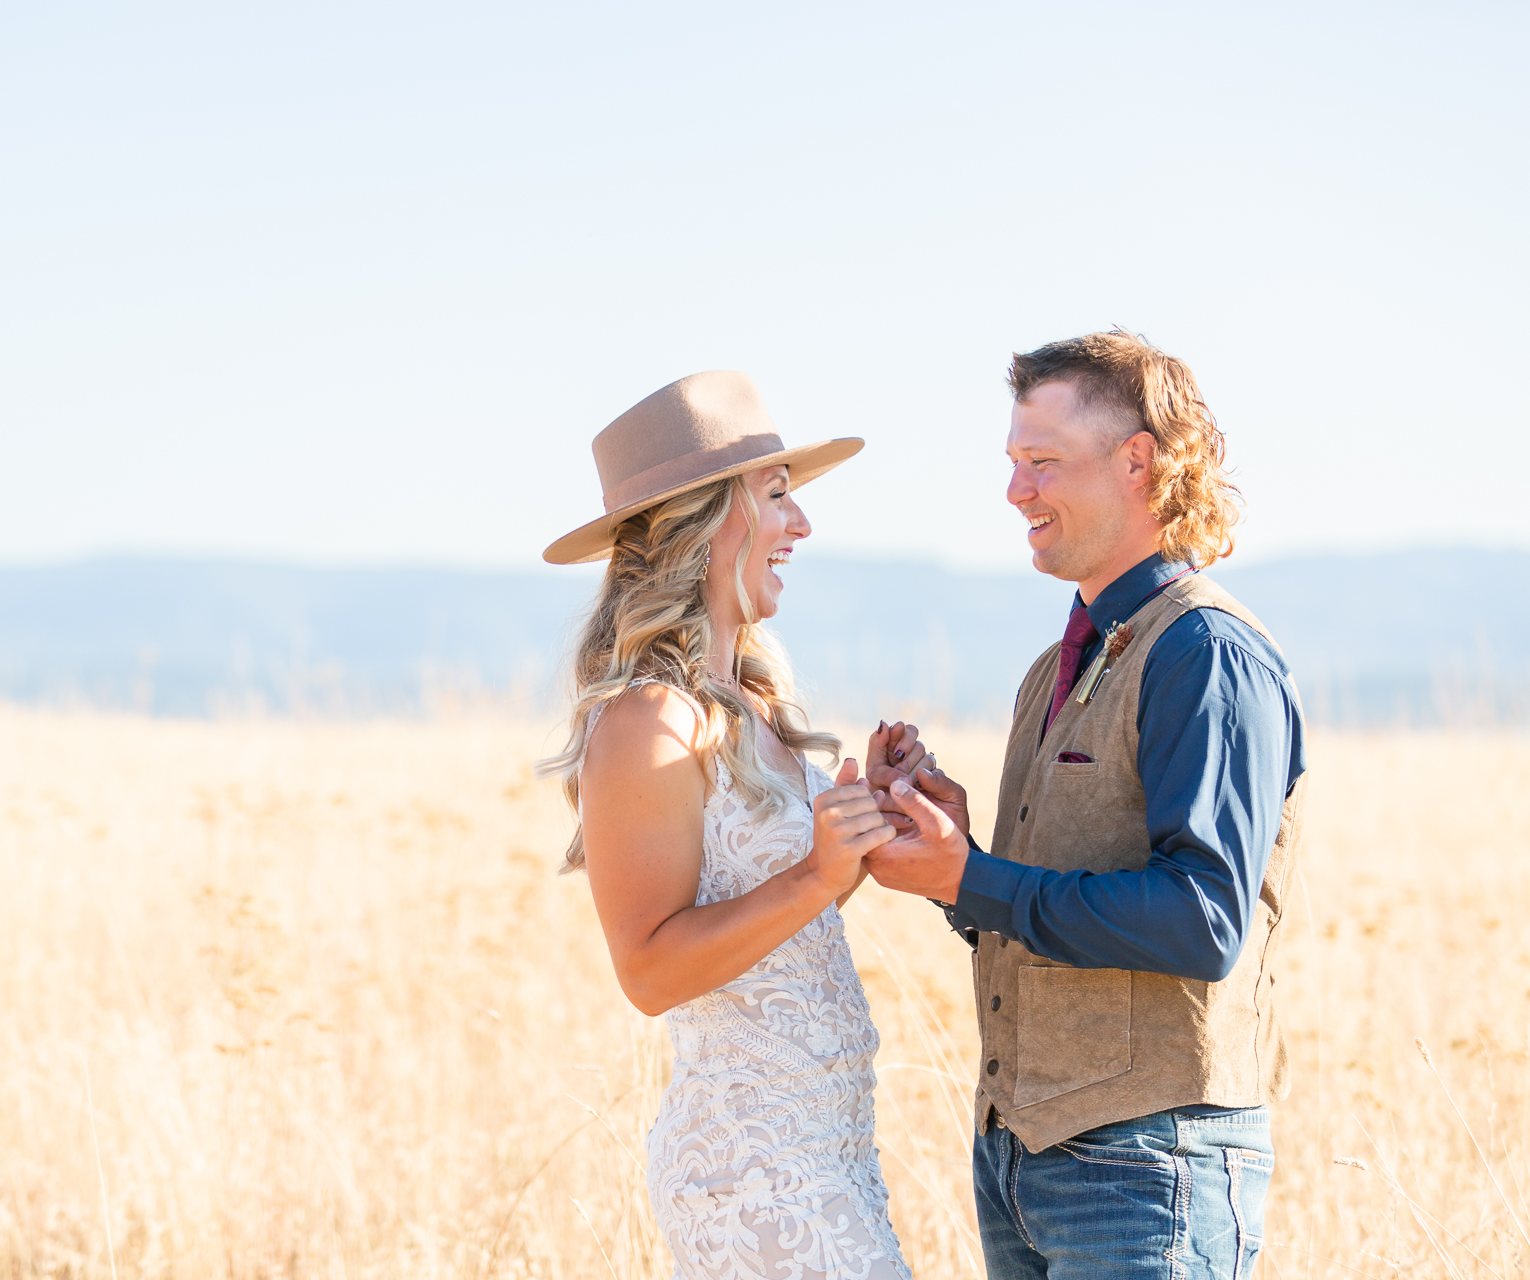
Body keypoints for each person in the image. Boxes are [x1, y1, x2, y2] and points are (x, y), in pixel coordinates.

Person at [865, 330, 1307, 1279]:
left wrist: (974, 876)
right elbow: (1039, 905)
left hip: (1149, 1167)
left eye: (1042, 463)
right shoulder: (1054, 668)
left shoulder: (1206, 655)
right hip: (1018, 1164)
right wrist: (953, 859)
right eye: (1014, 463)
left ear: (1137, 462)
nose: (1016, 491)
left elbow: (1204, 920)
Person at [539, 370, 929, 1280]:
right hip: (748, 1172)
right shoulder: (647, 722)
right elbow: (649, 971)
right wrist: (816, 877)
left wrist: (857, 829)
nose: (801, 527)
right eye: (779, 497)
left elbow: (782, 920)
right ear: (708, 520)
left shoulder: (751, 704)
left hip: (829, 1149)